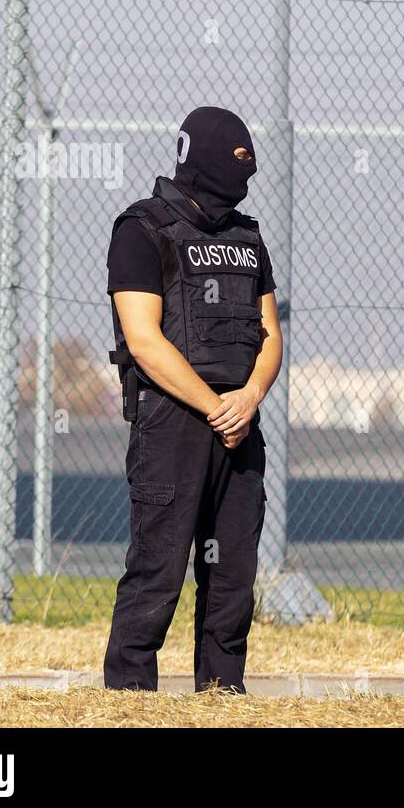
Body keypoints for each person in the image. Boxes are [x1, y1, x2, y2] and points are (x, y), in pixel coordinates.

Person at [103, 106, 283, 693]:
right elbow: (144, 341)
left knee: (231, 573)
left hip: (240, 426)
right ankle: (130, 697)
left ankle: (222, 695)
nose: (244, 182)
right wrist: (215, 405)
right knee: (157, 571)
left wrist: (250, 396)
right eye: (236, 167)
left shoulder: (247, 237)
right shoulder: (142, 229)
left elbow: (271, 335)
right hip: (172, 426)